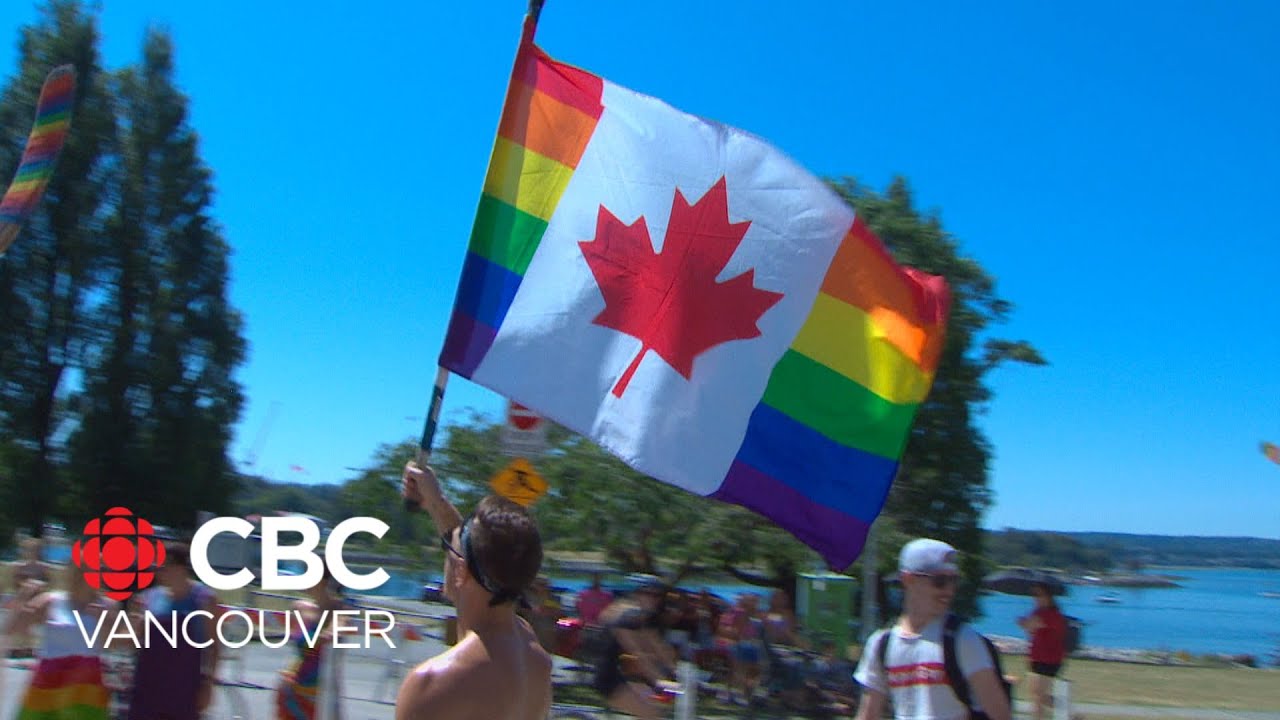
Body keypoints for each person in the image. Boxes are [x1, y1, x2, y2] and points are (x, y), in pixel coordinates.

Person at [396, 461, 551, 720]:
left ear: (461, 571)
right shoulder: (533, 654)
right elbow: (476, 554)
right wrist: (435, 499)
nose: (447, 550)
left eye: (449, 549)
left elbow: (470, 551)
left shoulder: (434, 683)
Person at [853, 538, 1012, 720]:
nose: (949, 590)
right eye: (940, 581)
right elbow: (868, 713)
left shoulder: (962, 639)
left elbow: (1000, 714)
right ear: (908, 579)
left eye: (953, 580)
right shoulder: (881, 643)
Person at [127, 542, 223, 720]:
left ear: (180, 568)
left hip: (183, 689)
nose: (158, 572)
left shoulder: (204, 599)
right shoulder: (148, 598)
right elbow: (134, 639)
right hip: (147, 685)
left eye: (163, 567)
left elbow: (214, 647)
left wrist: (209, 684)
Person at [4, 565, 112, 720]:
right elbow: (11, 629)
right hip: (49, 685)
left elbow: (117, 644)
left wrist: (104, 622)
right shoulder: (51, 601)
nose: (81, 576)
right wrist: (23, 596)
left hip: (85, 688)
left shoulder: (106, 607)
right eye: (78, 570)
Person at [591, 576, 679, 720]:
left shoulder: (638, 615)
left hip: (620, 675)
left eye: (657, 595)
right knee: (653, 716)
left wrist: (676, 670)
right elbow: (638, 652)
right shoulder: (626, 617)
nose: (654, 599)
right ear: (636, 594)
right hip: (606, 677)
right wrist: (659, 679)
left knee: (656, 705)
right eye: (648, 594)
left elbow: (657, 645)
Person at [277, 571, 348, 719]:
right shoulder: (300, 608)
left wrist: (325, 635)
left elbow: (334, 633)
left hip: (322, 689)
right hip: (294, 686)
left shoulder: (340, 610)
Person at [1017, 581, 1068, 720]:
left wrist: (1024, 622)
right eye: (1034, 595)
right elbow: (1031, 629)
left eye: (1038, 595)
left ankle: (1069, 713)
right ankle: (1070, 713)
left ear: (1048, 597)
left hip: (1050, 660)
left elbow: (1031, 624)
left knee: (1039, 696)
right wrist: (1026, 623)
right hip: (1037, 658)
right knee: (1037, 695)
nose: (1035, 598)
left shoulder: (1052, 614)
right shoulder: (1038, 612)